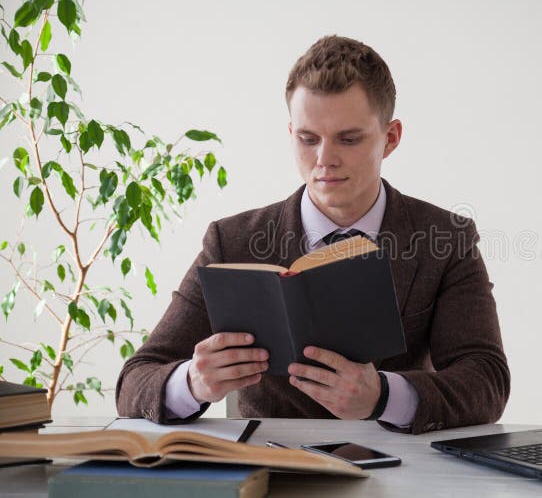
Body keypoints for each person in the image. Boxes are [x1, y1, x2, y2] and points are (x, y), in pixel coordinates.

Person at [115, 35, 510, 434]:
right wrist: (193, 383)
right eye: (308, 139)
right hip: (269, 470)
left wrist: (383, 396)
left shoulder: (447, 237)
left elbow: (487, 381)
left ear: (390, 138)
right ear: (291, 133)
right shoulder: (230, 241)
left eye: (349, 139)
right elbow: (134, 381)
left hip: (403, 471)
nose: (324, 160)